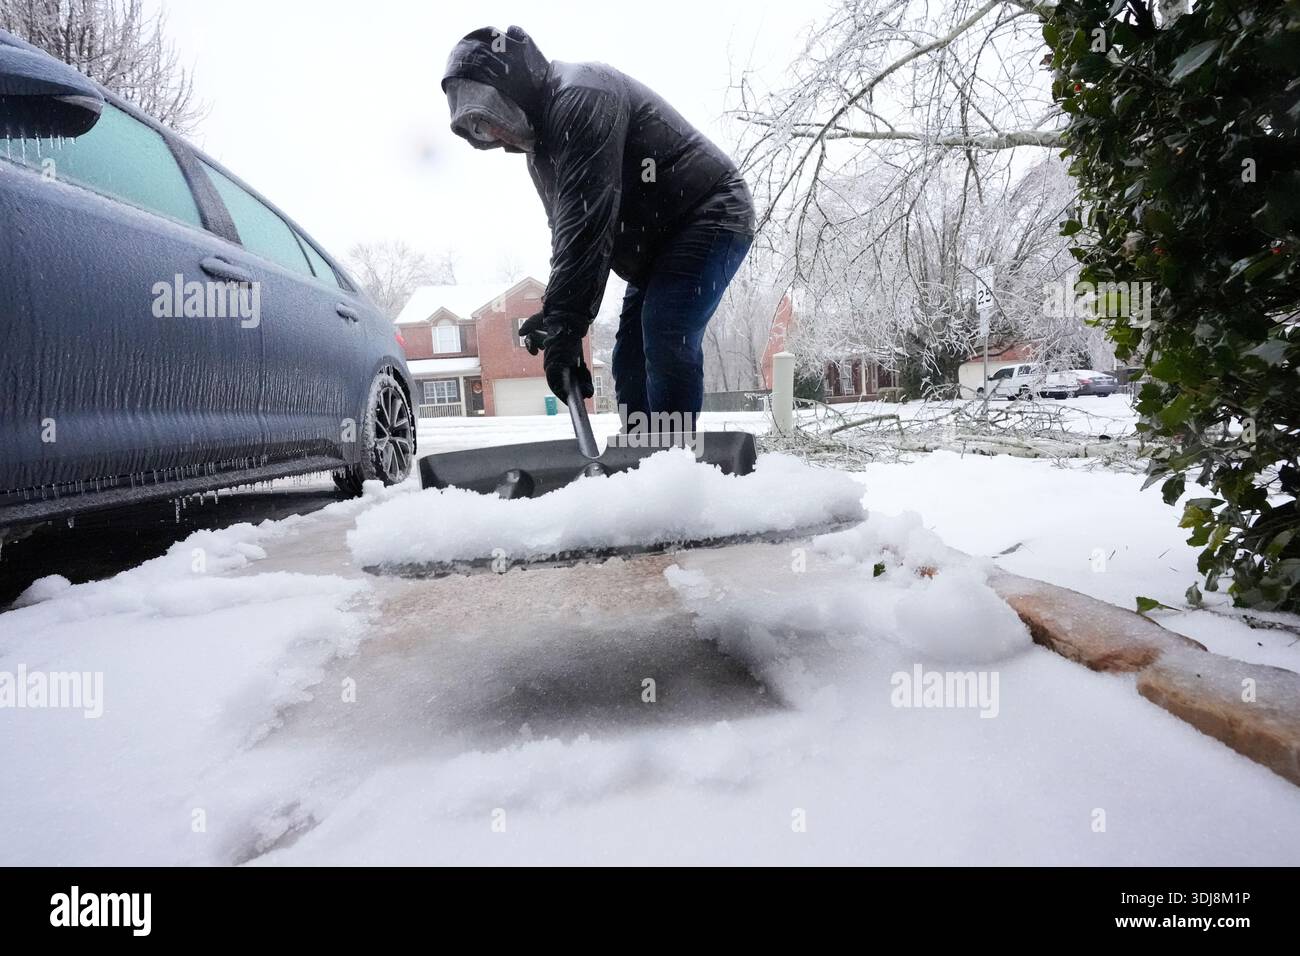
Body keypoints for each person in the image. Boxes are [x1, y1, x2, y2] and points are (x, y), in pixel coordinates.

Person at [442, 25, 754, 430]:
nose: (496, 136)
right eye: (480, 129)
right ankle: (643, 462)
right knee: (628, 358)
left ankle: (675, 463)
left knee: (665, 330)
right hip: (655, 245)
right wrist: (558, 315)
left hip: (708, 211)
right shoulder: (541, 152)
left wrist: (569, 324)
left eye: (492, 117)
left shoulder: (583, 95)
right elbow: (569, 233)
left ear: (515, 88)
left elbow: (590, 223)